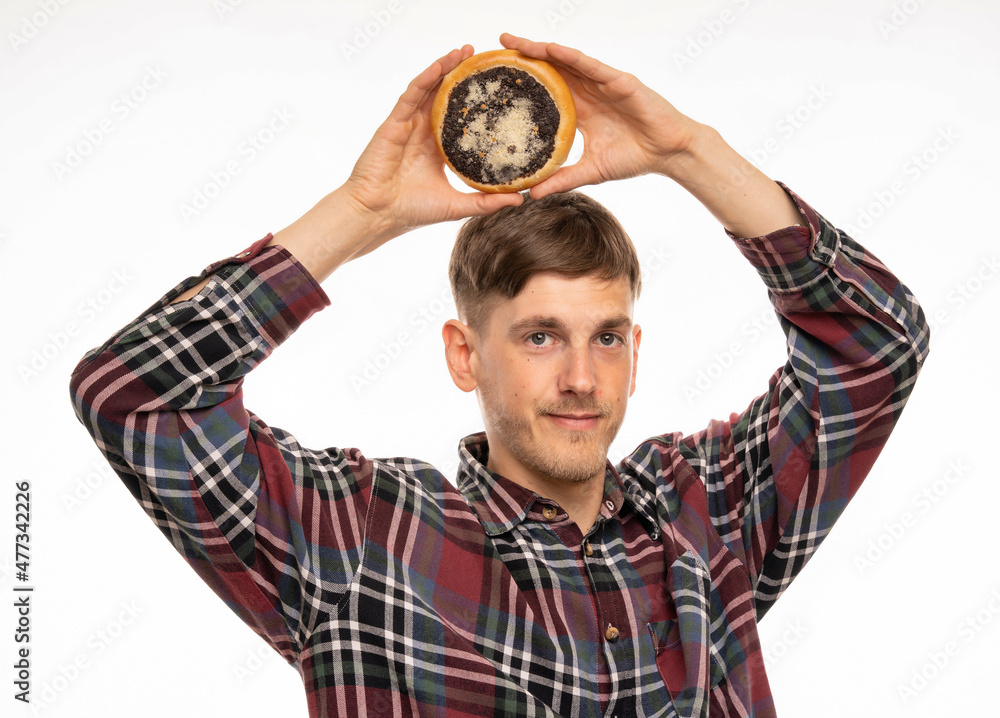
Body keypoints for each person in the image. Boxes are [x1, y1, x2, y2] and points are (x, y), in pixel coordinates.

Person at [69, 34, 928, 718]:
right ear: (463, 354)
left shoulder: (708, 511)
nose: (584, 380)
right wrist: (360, 215)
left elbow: (877, 345)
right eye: (541, 338)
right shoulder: (365, 539)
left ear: (637, 349)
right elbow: (134, 395)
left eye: (608, 338)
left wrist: (687, 152)